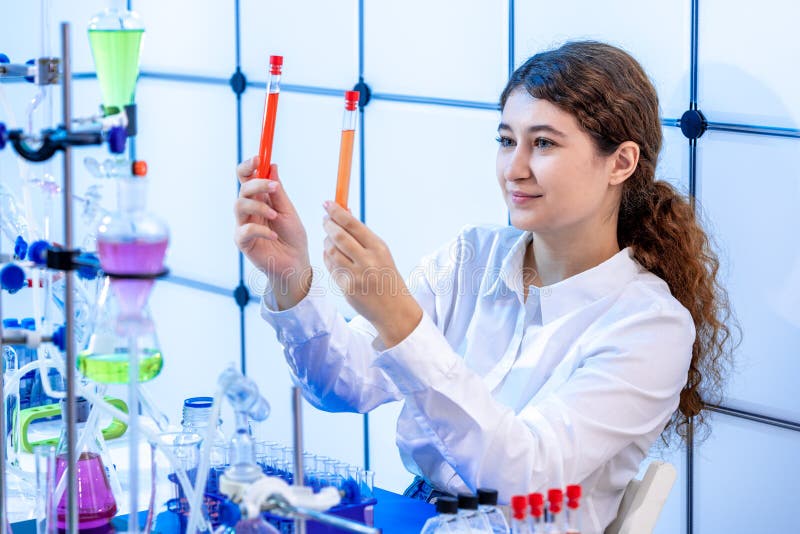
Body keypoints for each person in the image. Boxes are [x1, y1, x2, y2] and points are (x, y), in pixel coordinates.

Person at [234, 41, 733, 533]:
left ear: (621, 163)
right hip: (419, 515)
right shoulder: (472, 256)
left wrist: (400, 321)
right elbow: (342, 386)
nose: (514, 169)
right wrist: (290, 272)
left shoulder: (650, 325)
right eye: (505, 140)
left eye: (543, 143)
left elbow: (525, 476)